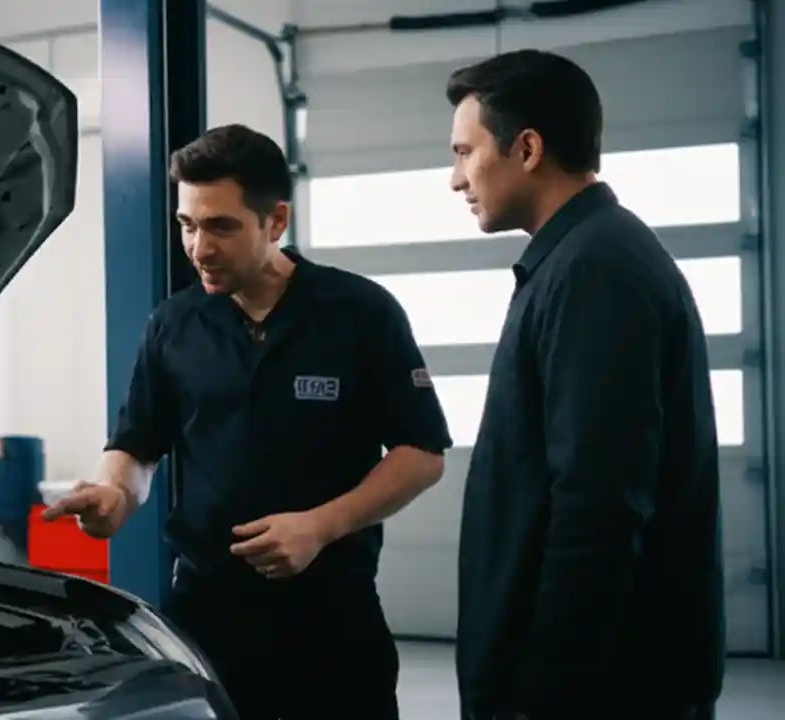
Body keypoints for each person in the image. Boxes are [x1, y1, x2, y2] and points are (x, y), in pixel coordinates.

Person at [41, 123, 452, 720]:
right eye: (187, 225)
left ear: (275, 222)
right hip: (207, 620)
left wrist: (318, 527)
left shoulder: (360, 314)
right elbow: (137, 444)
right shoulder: (172, 325)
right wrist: (114, 495)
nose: (199, 248)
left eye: (220, 226)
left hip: (332, 618)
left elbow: (423, 453)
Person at [445, 50, 725, 720]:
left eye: (465, 152)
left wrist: (547, 692)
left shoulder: (594, 271)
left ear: (529, 148)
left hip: (599, 691)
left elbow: (599, 502)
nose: (455, 180)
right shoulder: (582, 258)